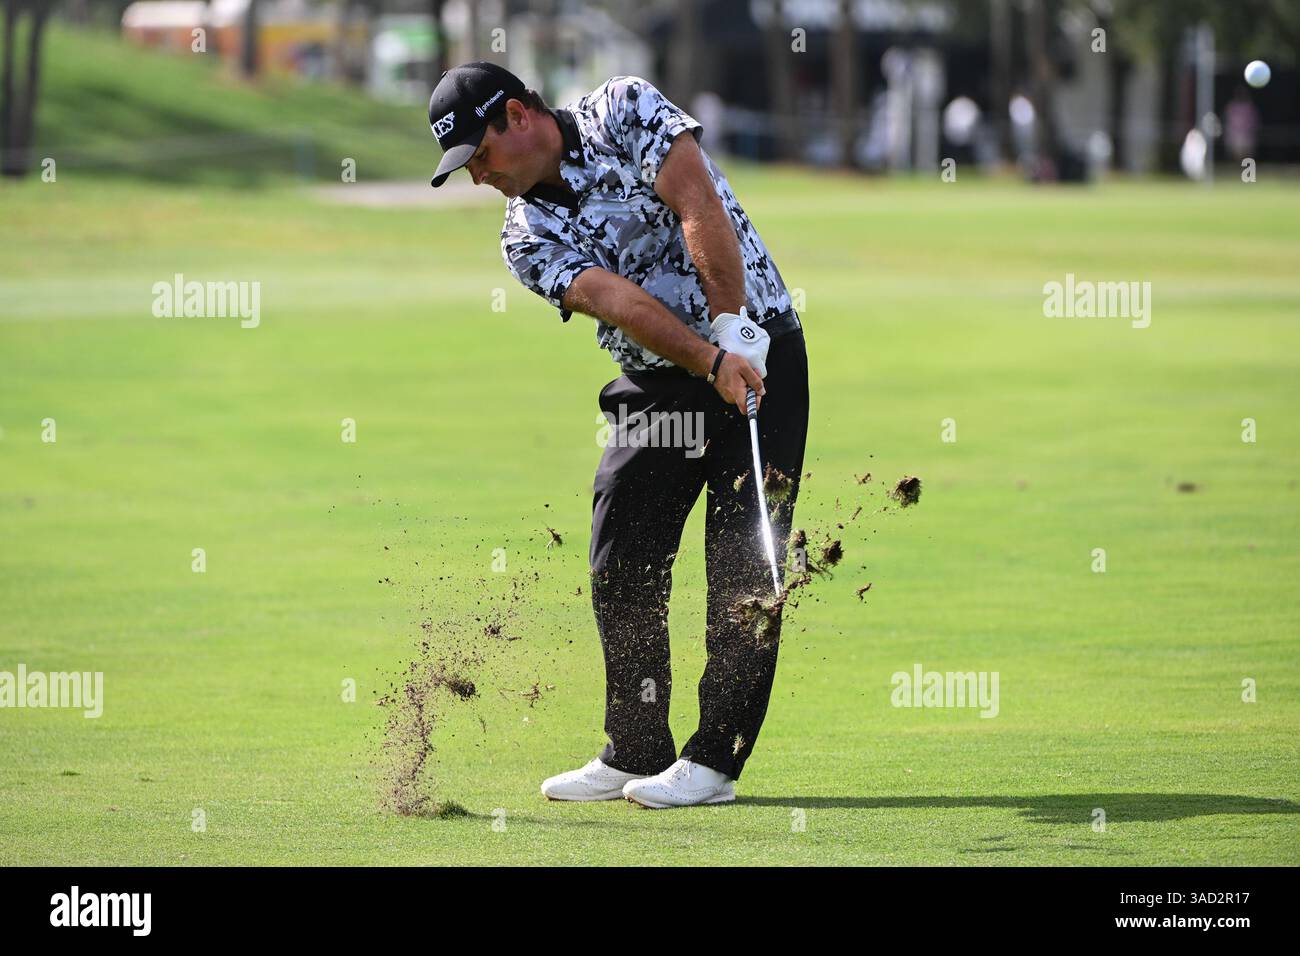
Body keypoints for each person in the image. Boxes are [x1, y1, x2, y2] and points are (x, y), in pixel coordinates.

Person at [427, 62, 809, 808]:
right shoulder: (524, 236)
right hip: (666, 378)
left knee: (742, 564)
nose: (480, 178)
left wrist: (731, 334)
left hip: (758, 353)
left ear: (517, 115)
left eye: (480, 155)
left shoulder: (622, 108)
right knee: (620, 555)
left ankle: (714, 764)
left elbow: (696, 197)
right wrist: (705, 357)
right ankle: (636, 746)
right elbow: (612, 296)